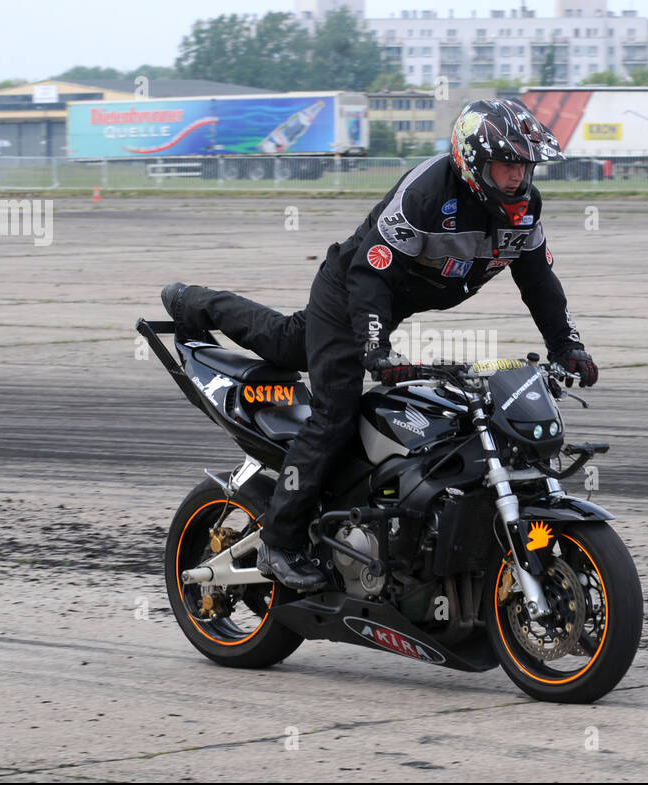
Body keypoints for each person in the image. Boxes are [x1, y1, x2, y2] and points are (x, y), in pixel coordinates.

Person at [162, 99, 598, 591]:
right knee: (337, 410)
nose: (518, 177)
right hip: (353, 286)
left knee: (287, 345)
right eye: (507, 165)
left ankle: (194, 301)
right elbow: (369, 275)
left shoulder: (523, 210)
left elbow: (539, 280)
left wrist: (568, 347)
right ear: (473, 162)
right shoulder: (427, 195)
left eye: (525, 165)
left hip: (400, 299)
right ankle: (280, 540)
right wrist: (376, 350)